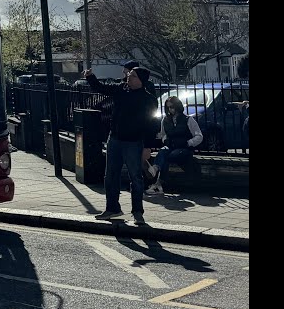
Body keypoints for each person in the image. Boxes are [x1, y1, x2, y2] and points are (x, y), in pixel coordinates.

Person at [84, 65, 156, 222]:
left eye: (133, 75)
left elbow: (151, 124)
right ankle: (112, 209)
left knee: (136, 177)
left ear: (141, 80)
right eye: (129, 74)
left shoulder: (148, 98)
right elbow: (101, 88)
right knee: (110, 175)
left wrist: (148, 147)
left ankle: (137, 212)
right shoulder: (120, 89)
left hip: (134, 142)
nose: (129, 77)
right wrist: (90, 77)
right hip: (115, 139)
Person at [146, 95, 204, 195]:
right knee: (164, 151)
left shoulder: (188, 120)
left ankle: (158, 183)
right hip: (171, 146)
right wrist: (165, 140)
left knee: (168, 157)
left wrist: (188, 143)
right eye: (168, 107)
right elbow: (163, 134)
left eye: (172, 107)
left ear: (177, 106)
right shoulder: (165, 120)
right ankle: (156, 174)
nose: (170, 110)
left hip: (184, 148)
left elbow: (199, 136)